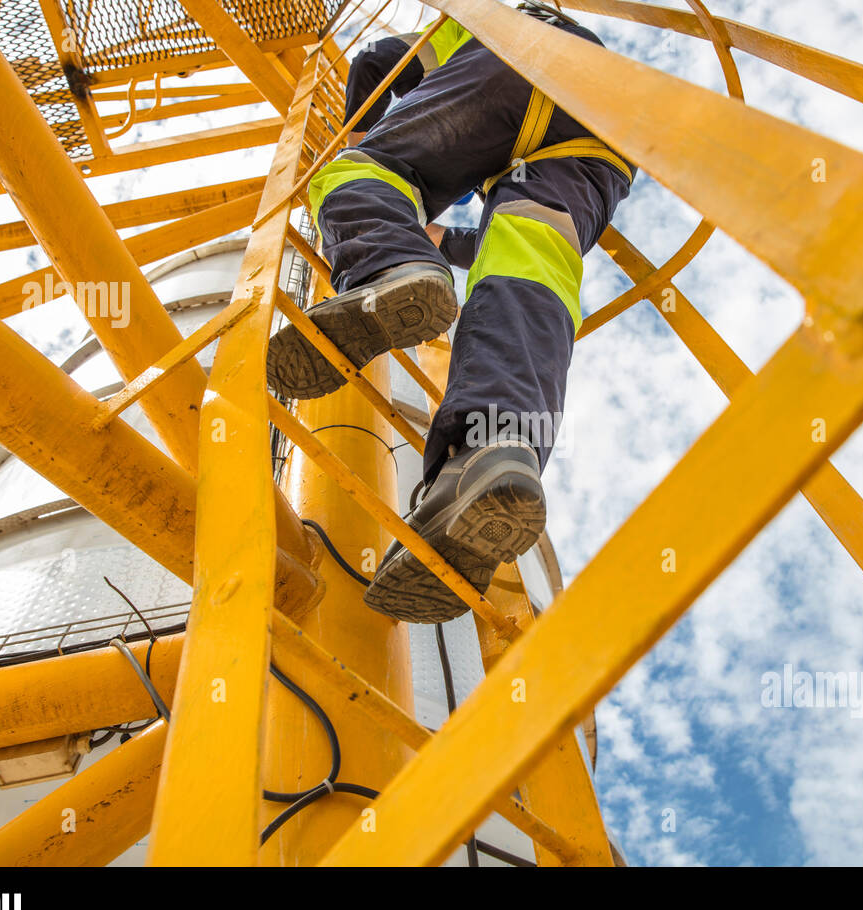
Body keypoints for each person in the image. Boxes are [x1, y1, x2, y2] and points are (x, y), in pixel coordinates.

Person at [266, 2, 634, 622]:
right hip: (607, 136)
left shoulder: (480, 21)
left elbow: (380, 62)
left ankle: (387, 267)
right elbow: (485, 246)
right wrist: (438, 243)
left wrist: (372, 146)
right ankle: (488, 455)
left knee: (361, 172)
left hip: (518, 60)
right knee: (527, 270)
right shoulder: (590, 58)